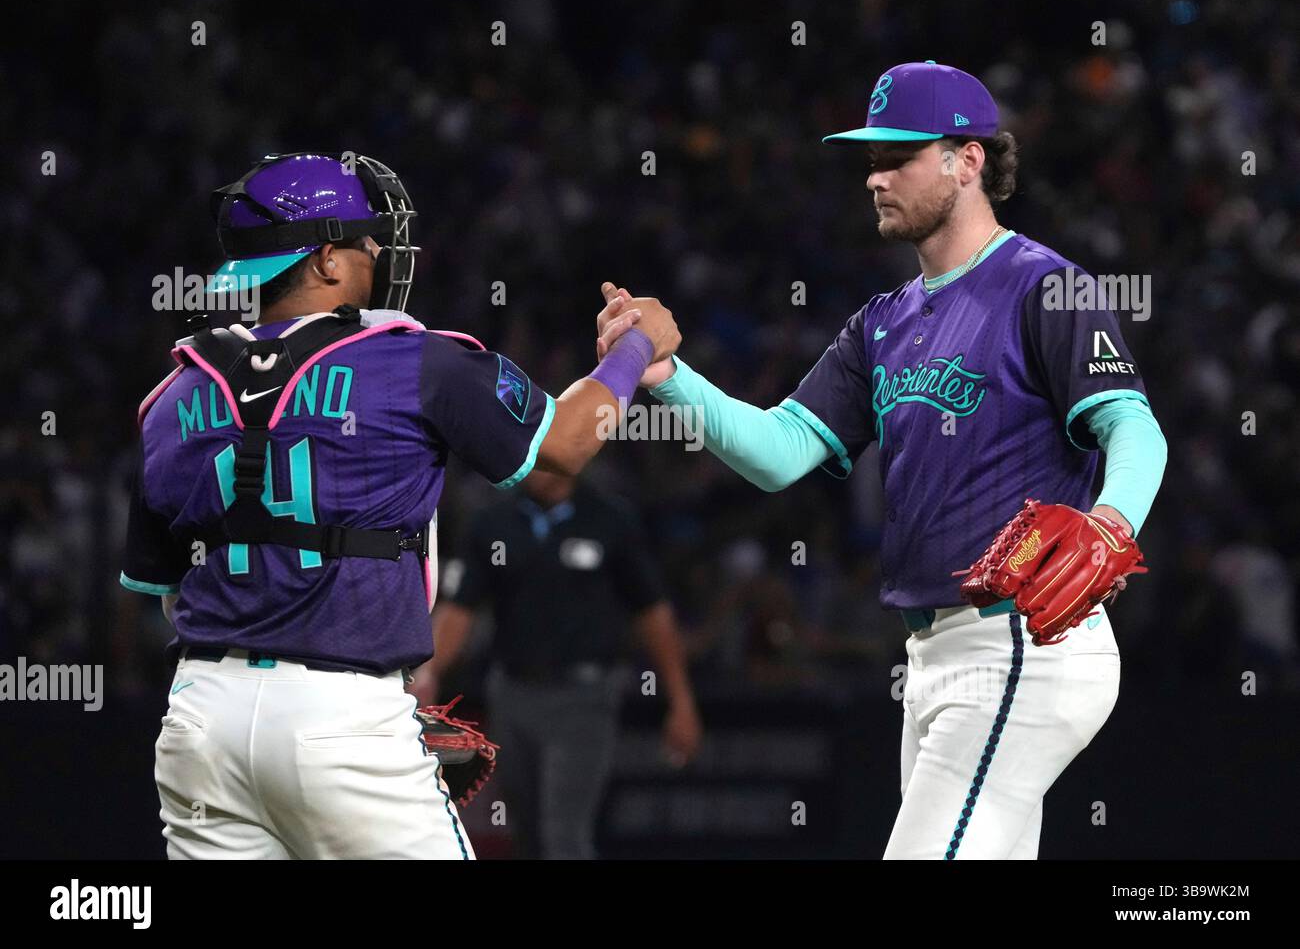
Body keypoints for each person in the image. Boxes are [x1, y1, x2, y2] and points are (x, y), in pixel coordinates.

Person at [595, 62, 1168, 859]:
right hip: (932, 659)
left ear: (968, 160)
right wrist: (668, 377)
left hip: (1023, 644)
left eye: (899, 154)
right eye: (870, 158)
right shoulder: (883, 322)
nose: (876, 176)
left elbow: (1134, 428)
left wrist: (1108, 525)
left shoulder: (1043, 287)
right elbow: (778, 452)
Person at [118, 152, 679, 859]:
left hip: (200, 721)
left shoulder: (170, 396)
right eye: (363, 243)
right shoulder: (414, 361)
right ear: (325, 260)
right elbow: (564, 447)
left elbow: (167, 592)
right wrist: (632, 352)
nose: (380, 253)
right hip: (342, 717)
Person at [414, 467, 702, 858]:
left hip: (584, 697)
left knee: (563, 835)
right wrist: (430, 670)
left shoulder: (609, 519)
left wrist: (681, 701)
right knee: (528, 836)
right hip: (512, 694)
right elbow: (459, 609)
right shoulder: (493, 521)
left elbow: (654, 614)